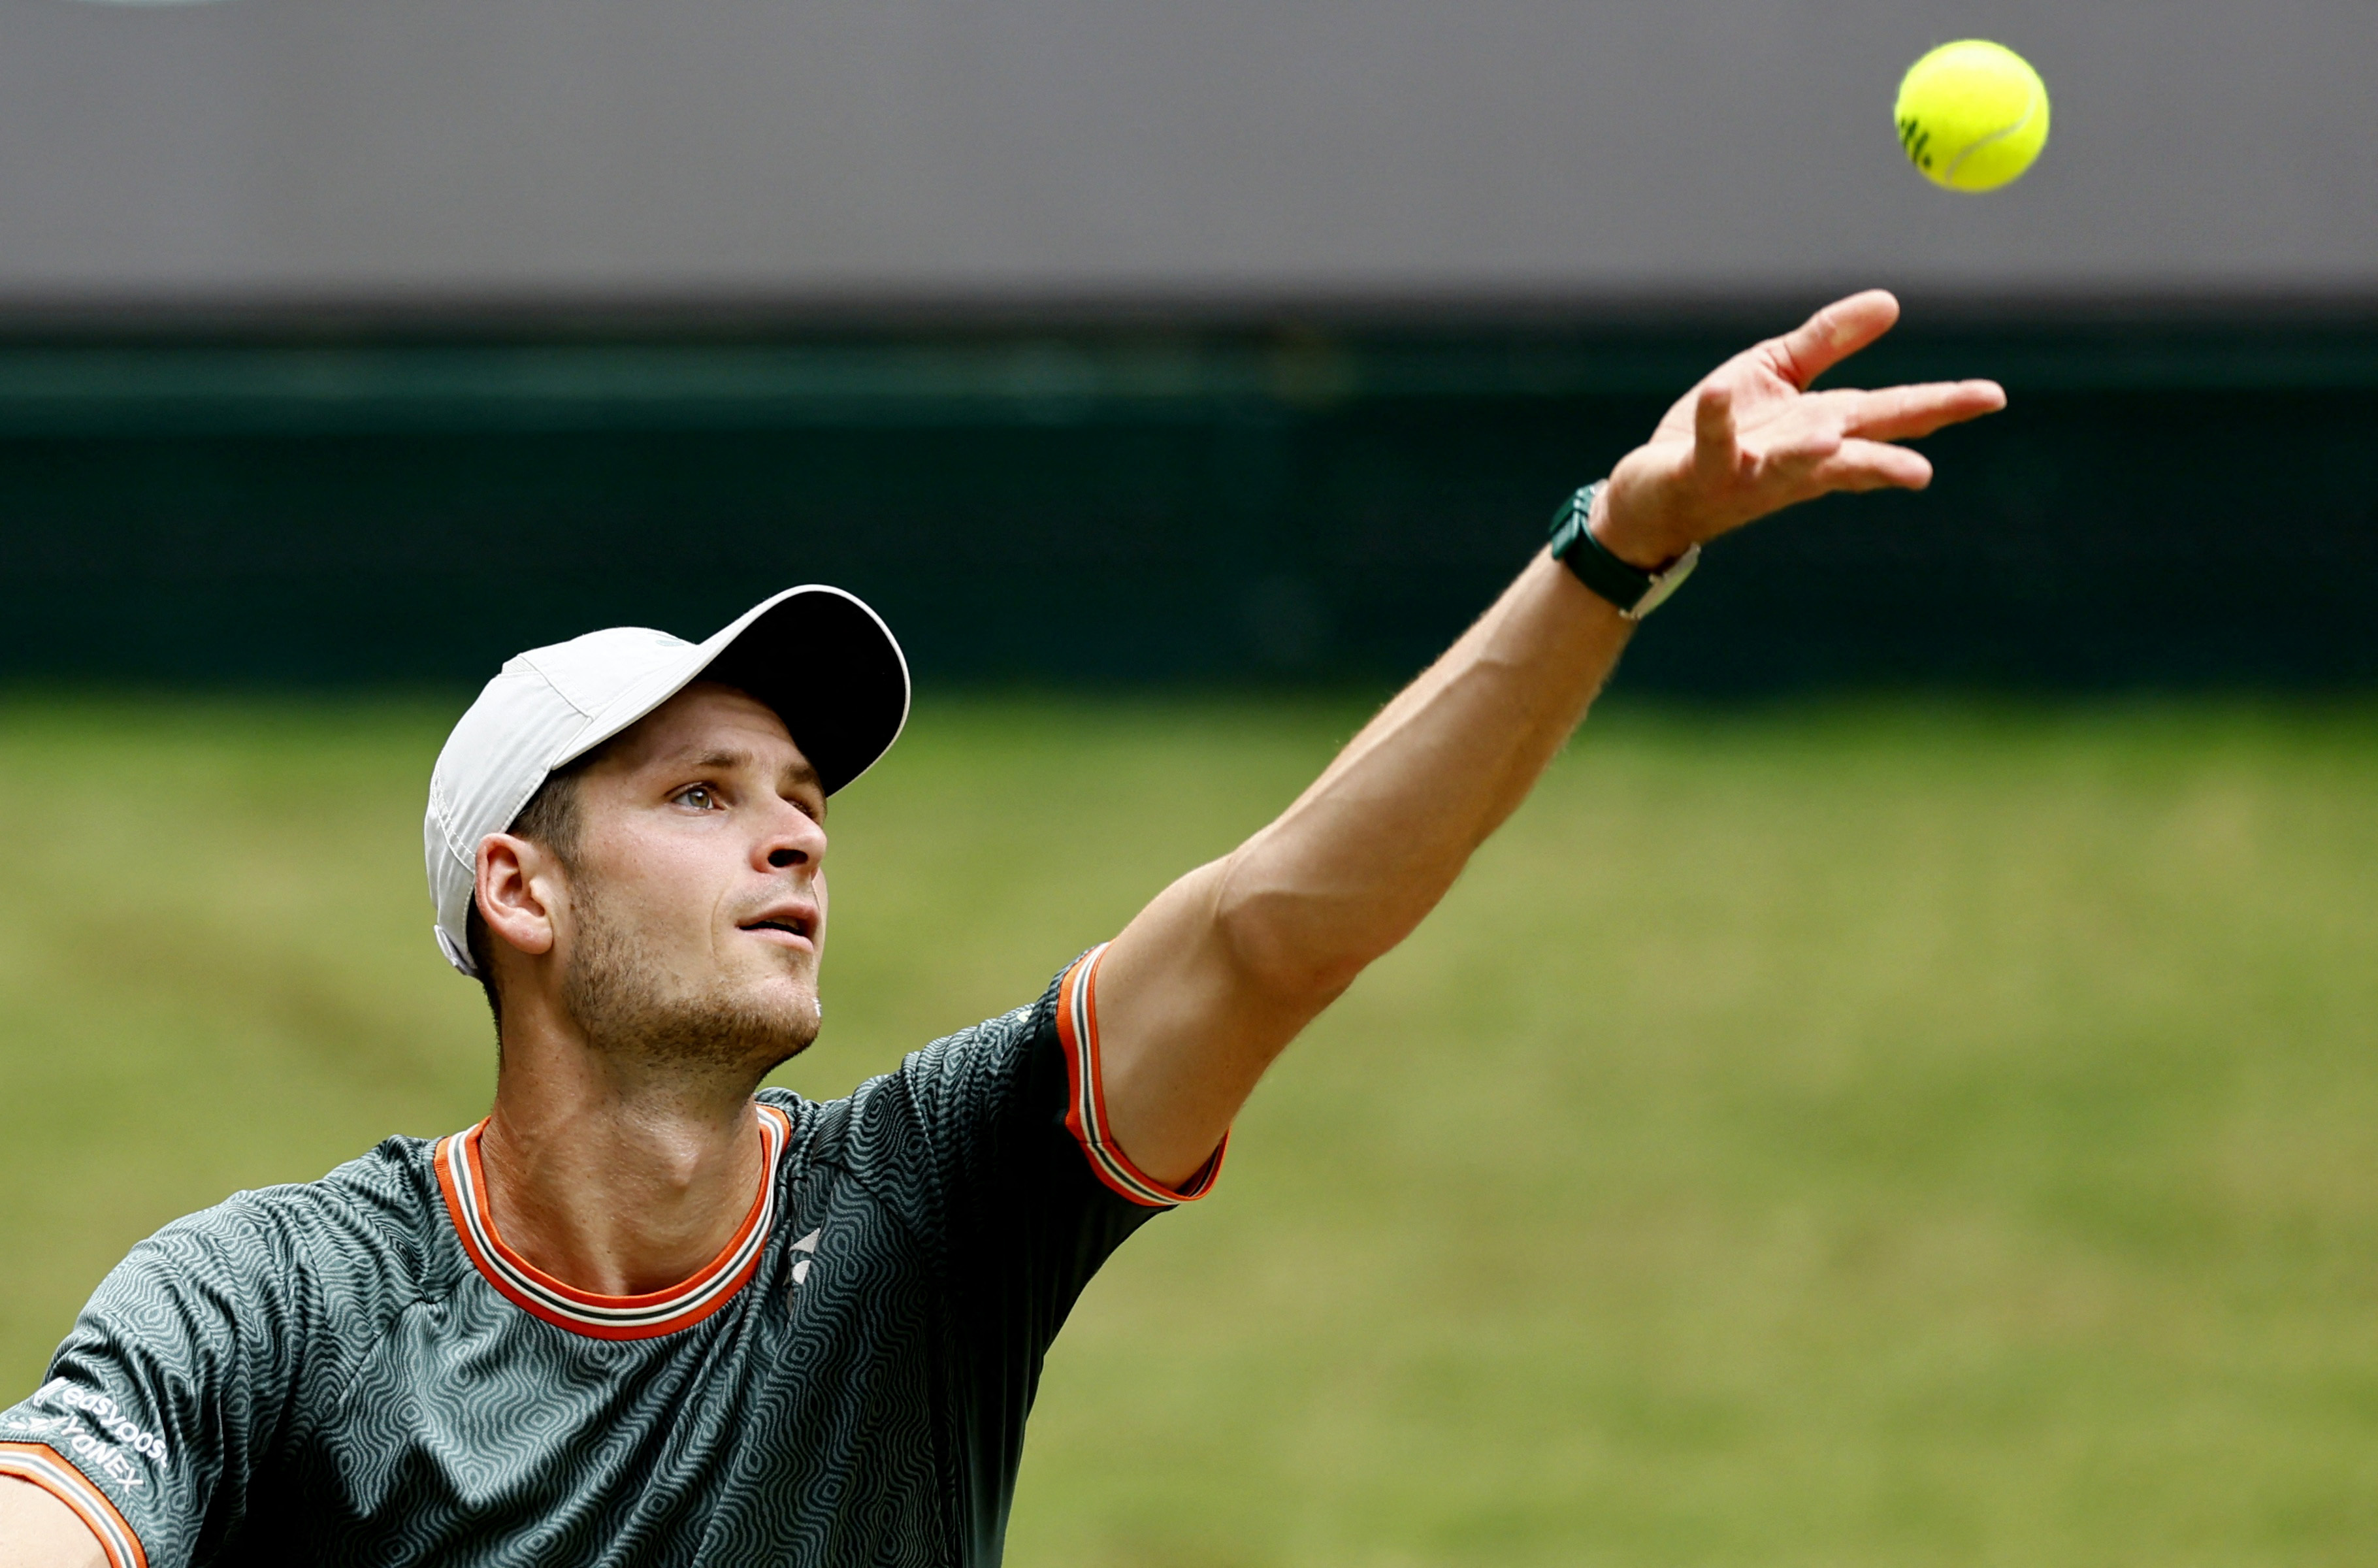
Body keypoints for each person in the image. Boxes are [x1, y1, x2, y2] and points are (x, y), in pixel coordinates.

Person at [0, 291, 2001, 1568]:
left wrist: (1614, 551)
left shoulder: (928, 1210)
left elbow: (1274, 931)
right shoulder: (287, 1306)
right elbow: (61, 1502)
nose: (793, 843)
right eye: (704, 798)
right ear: (521, 893)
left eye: (802, 802)